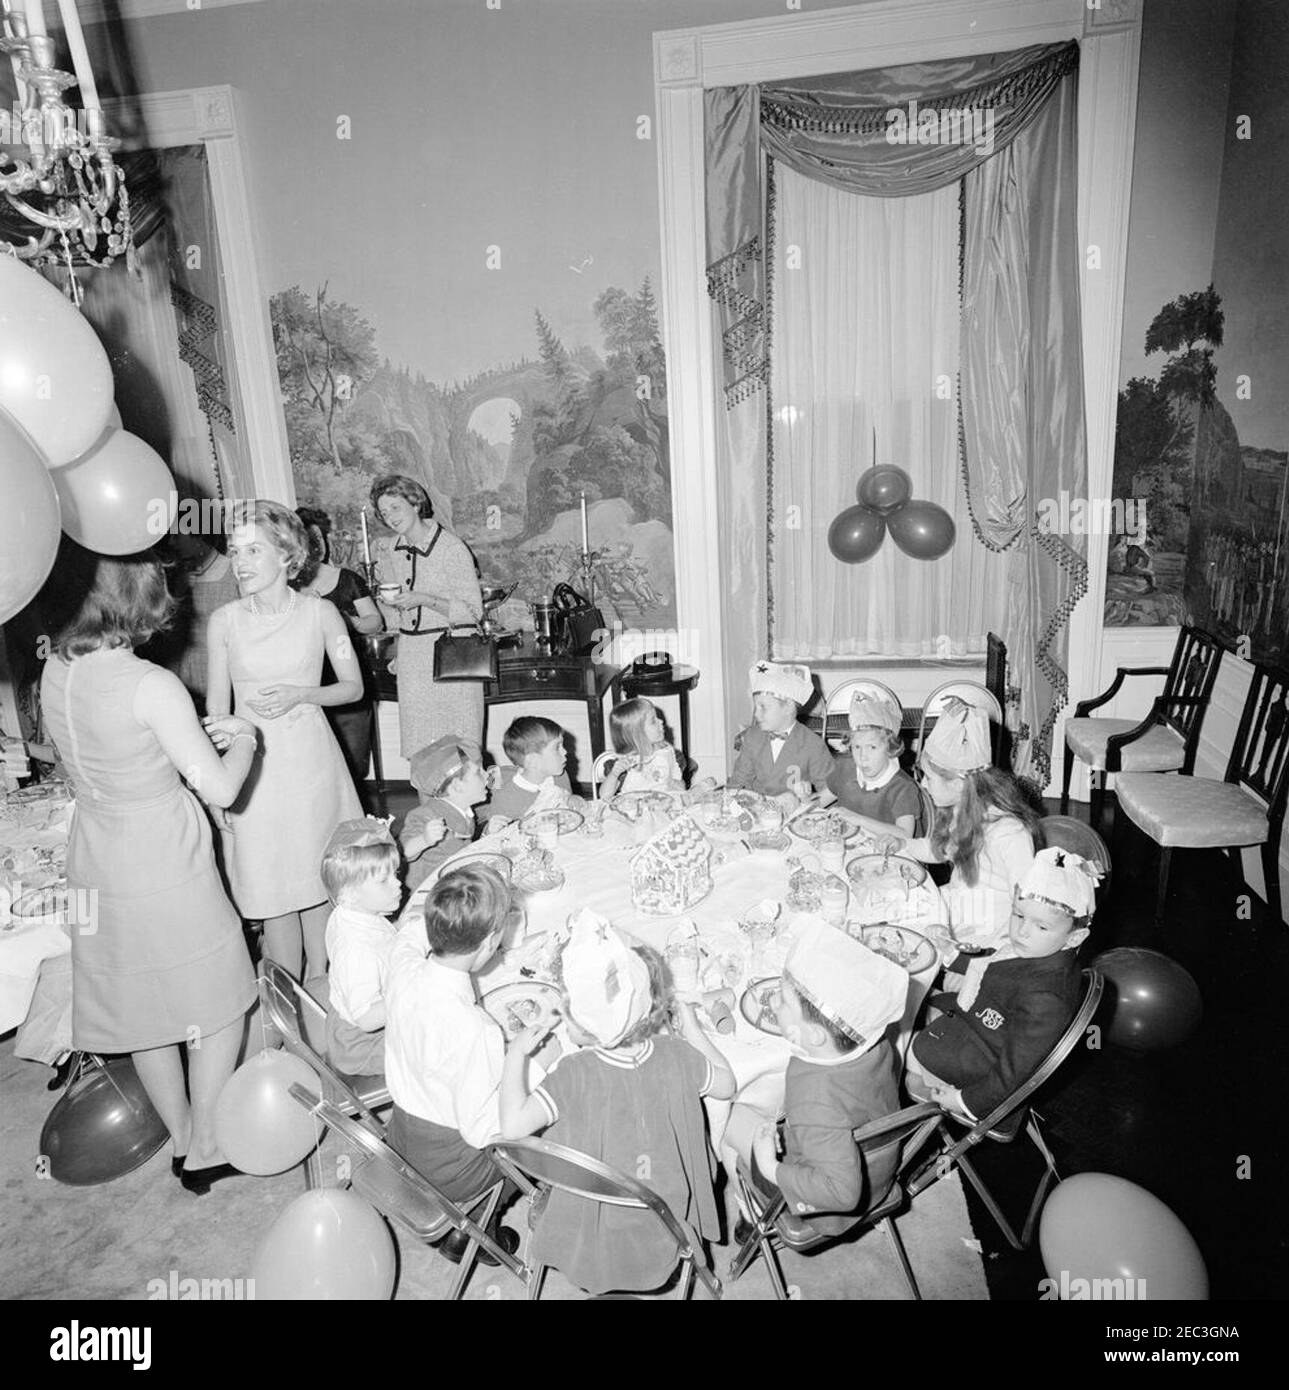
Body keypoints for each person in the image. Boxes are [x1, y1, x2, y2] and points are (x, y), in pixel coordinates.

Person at [39, 546, 258, 1195]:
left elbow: (115, 751)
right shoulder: (150, 683)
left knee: (139, 1007)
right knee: (219, 1000)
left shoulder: (53, 663)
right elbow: (220, 789)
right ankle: (210, 1144)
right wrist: (245, 737)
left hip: (98, 849)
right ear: (138, 594)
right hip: (160, 851)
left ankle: (183, 1135)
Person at [499, 910, 735, 1295]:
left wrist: (515, 1057)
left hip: (591, 1233)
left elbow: (511, 1127)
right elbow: (726, 1085)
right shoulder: (677, 1054)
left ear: (580, 1023)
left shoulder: (573, 1073)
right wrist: (692, 1030)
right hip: (668, 1226)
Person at [205, 501, 363, 979]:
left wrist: (303, 694)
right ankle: (284, 995)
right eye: (235, 552)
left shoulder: (321, 614)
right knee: (271, 888)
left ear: (287, 555)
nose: (242, 562)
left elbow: (353, 686)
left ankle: (323, 984)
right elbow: (216, 711)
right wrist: (218, 787)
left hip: (309, 763)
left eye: (254, 550)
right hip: (252, 770)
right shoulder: (225, 621)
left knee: (316, 876)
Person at [720, 919, 909, 1243]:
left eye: (782, 1000)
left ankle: (750, 1214)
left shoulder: (814, 1099)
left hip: (825, 1206)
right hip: (878, 1168)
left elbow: (843, 1192)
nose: (773, 1003)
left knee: (725, 1118)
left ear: (814, 1034)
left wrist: (770, 1166)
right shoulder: (874, 1043)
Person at [383, 863, 526, 1262]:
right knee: (546, 1113)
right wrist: (531, 1064)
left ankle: (470, 1225)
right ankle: (483, 1222)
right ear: (489, 944)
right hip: (453, 1168)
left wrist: (429, 919)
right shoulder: (477, 1030)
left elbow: (406, 942)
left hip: (400, 1141)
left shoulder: (404, 971)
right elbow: (486, 1131)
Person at [906, 847, 1097, 1122]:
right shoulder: (1037, 949)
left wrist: (966, 1101)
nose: (1022, 931)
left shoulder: (1047, 998)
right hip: (976, 1027)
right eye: (1018, 915)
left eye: (1041, 926)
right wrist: (948, 953)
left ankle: (910, 1112)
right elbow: (990, 967)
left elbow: (1017, 1070)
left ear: (1075, 938)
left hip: (980, 1063)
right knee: (908, 1001)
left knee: (899, 1044)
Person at [866, 702, 1039, 951]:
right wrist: (904, 844)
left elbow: (1027, 909)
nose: (923, 785)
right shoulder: (961, 810)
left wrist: (980, 962)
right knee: (883, 912)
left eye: (929, 777)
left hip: (987, 934)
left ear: (959, 784)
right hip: (959, 907)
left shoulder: (1008, 833)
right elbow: (940, 850)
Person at [370, 475, 485, 758]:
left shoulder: (451, 548)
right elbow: (398, 615)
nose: (390, 518)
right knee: (421, 751)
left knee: (460, 748)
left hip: (451, 655)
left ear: (415, 503)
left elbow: (473, 611)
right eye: (384, 513)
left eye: (395, 508)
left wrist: (424, 600)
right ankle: (428, 804)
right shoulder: (392, 550)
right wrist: (398, 641)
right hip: (413, 658)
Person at [296, 506, 383, 792]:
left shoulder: (347, 579)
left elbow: (375, 622)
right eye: (309, 539)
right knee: (317, 768)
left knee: (354, 764)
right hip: (309, 685)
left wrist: (348, 622)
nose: (316, 545)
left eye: (319, 538)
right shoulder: (288, 586)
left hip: (348, 684)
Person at [320, 818, 401, 1076]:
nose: (398, 883)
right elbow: (367, 1020)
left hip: (359, 1018)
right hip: (363, 1045)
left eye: (395, 874)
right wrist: (415, 989)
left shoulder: (352, 912)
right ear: (350, 894)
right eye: (383, 880)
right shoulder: (356, 950)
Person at [154, 531, 240, 715]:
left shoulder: (235, 572)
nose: (172, 543)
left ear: (198, 536)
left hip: (221, 684)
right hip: (182, 682)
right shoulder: (177, 575)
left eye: (177, 536)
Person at [728, 660, 833, 808]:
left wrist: (805, 804)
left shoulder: (813, 745)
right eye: (756, 706)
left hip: (793, 816)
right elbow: (738, 782)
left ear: (788, 708)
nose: (756, 713)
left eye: (763, 707)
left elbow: (830, 789)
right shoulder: (752, 737)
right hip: (756, 812)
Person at [825, 690, 921, 836]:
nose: (863, 757)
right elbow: (823, 798)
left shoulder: (902, 787)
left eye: (872, 747)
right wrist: (802, 801)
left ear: (890, 747)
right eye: (857, 747)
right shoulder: (847, 768)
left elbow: (905, 834)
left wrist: (857, 819)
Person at [400, 735, 489, 891]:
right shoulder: (427, 814)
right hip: (429, 891)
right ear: (457, 787)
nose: (487, 775)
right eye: (478, 773)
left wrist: (487, 833)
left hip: (455, 880)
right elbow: (404, 851)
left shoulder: (465, 810)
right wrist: (424, 839)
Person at [478, 715, 574, 825]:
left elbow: (567, 804)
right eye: (557, 747)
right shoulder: (506, 798)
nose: (565, 751)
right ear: (533, 760)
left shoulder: (560, 775)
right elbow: (494, 835)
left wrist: (573, 800)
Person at [598, 697, 685, 798]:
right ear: (638, 733)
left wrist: (674, 785)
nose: (661, 721)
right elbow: (604, 795)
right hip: (632, 810)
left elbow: (680, 786)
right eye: (653, 721)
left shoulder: (666, 752)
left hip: (661, 808)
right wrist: (614, 774)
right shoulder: (627, 761)